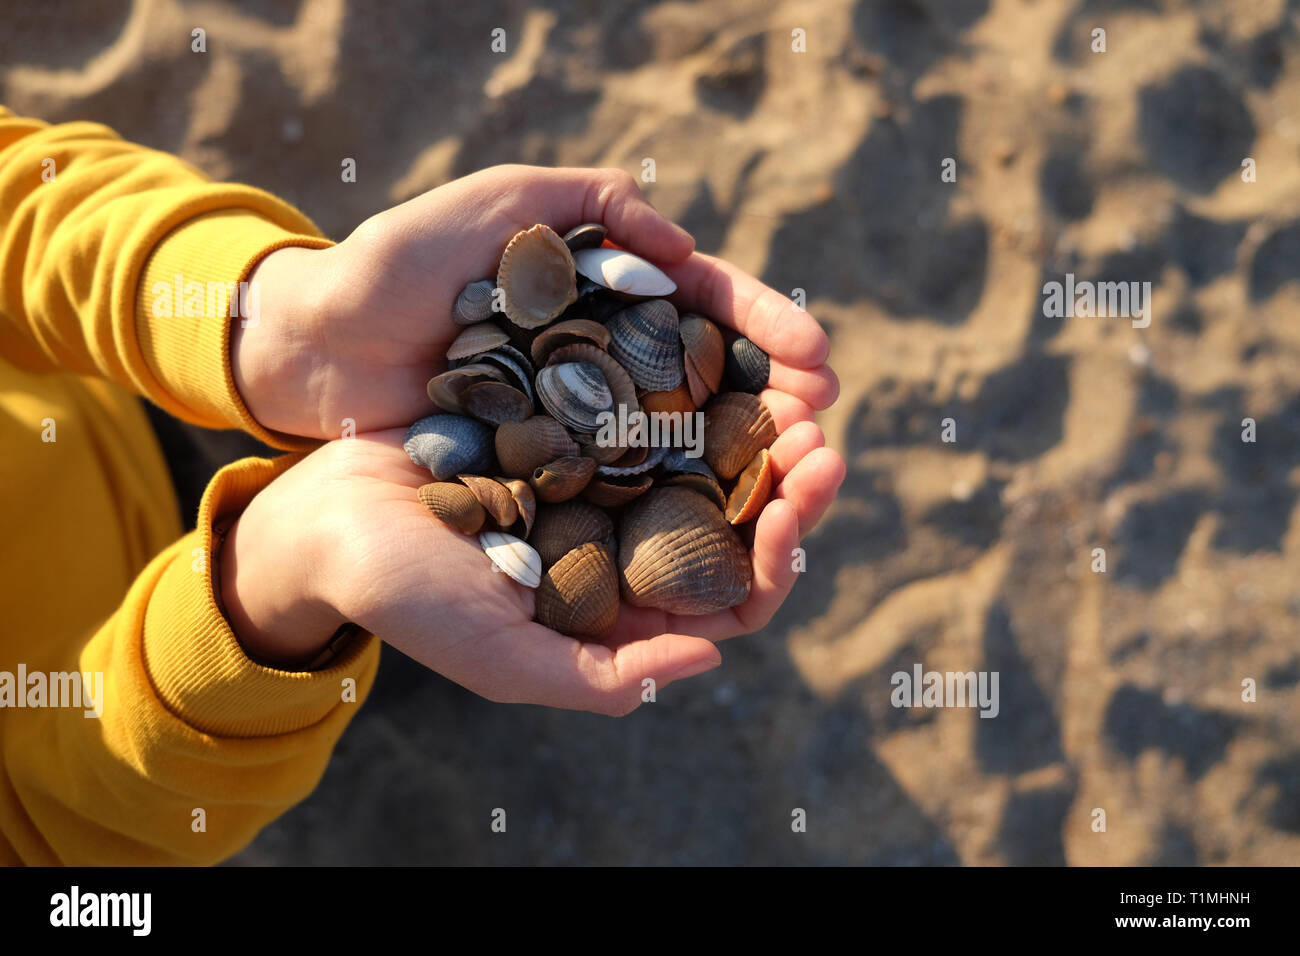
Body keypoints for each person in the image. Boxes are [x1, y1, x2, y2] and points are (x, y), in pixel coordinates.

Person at [0, 106, 844, 865]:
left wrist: (274, 319)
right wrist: (273, 581)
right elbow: (52, 843)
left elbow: (22, 199)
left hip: (144, 388)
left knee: (449, 597)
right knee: (413, 609)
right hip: (197, 653)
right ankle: (322, 638)